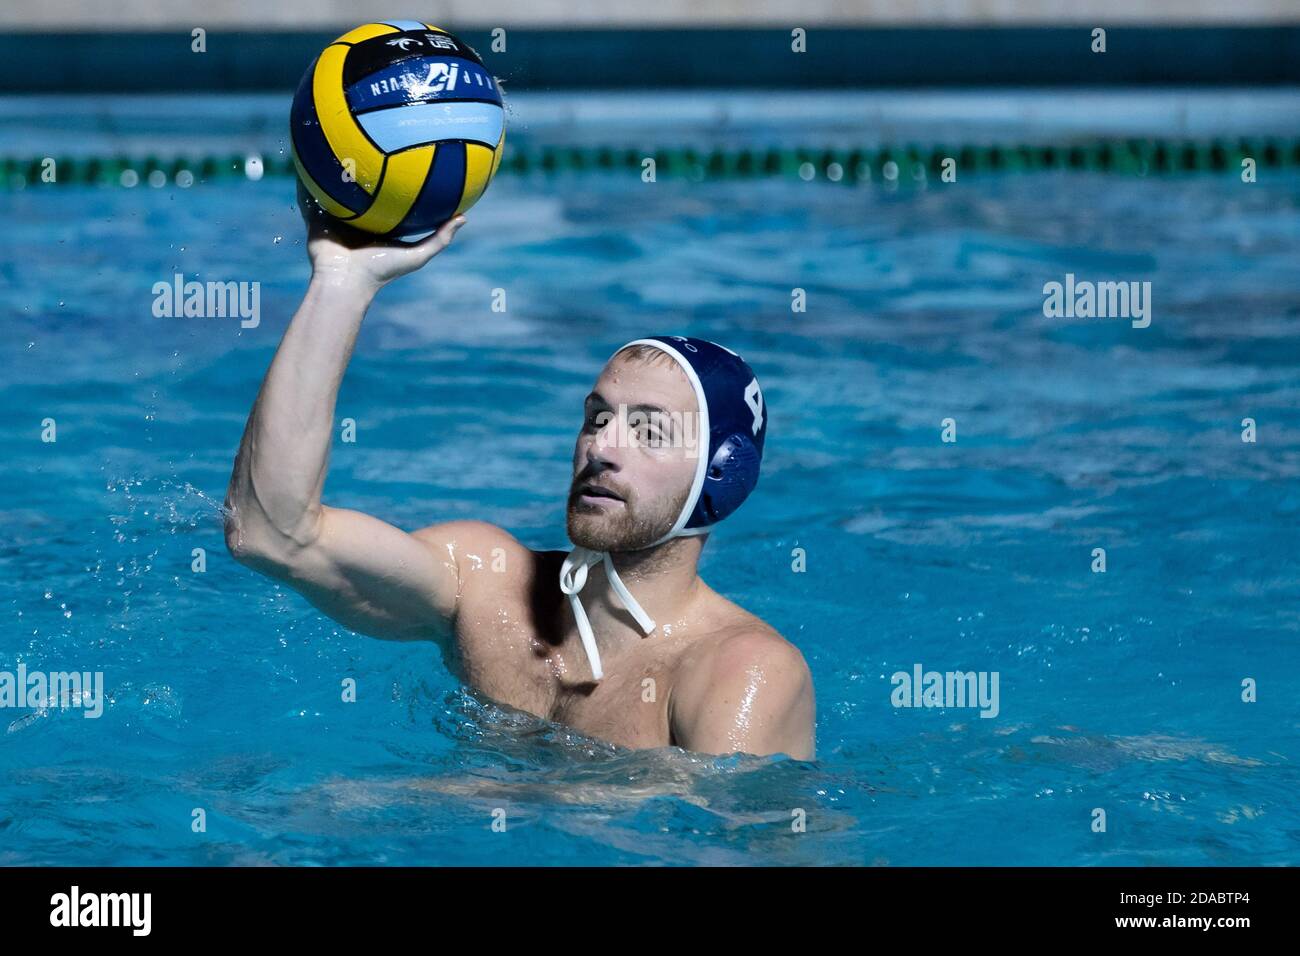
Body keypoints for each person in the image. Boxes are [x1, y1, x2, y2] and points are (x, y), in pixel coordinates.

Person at [223, 194, 815, 759]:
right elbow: (268, 533)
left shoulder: (740, 673)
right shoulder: (486, 586)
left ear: (722, 476)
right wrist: (341, 283)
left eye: (649, 431)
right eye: (597, 416)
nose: (602, 447)